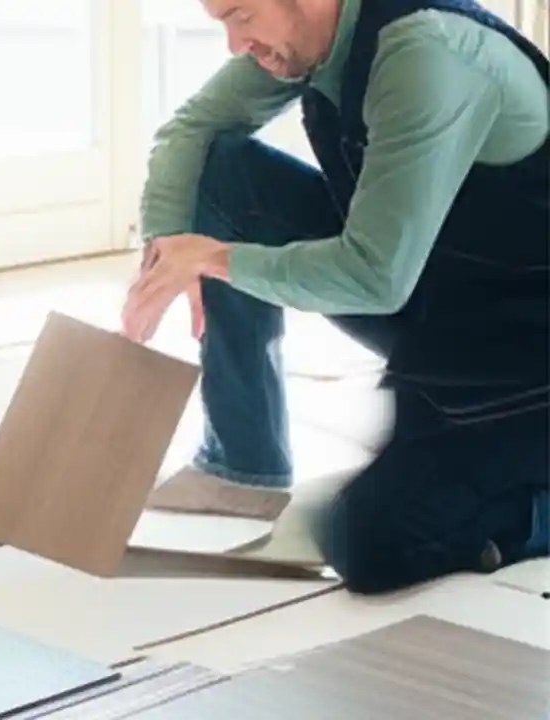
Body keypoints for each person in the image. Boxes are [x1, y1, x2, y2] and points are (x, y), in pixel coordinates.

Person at [123, 0, 548, 594]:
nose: (233, 43)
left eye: (240, 15)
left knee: (368, 540)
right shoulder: (309, 44)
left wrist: (216, 259)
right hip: (440, 307)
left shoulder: (424, 54)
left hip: (523, 351)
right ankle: (241, 465)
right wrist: (167, 253)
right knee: (221, 172)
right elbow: (190, 129)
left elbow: (375, 276)